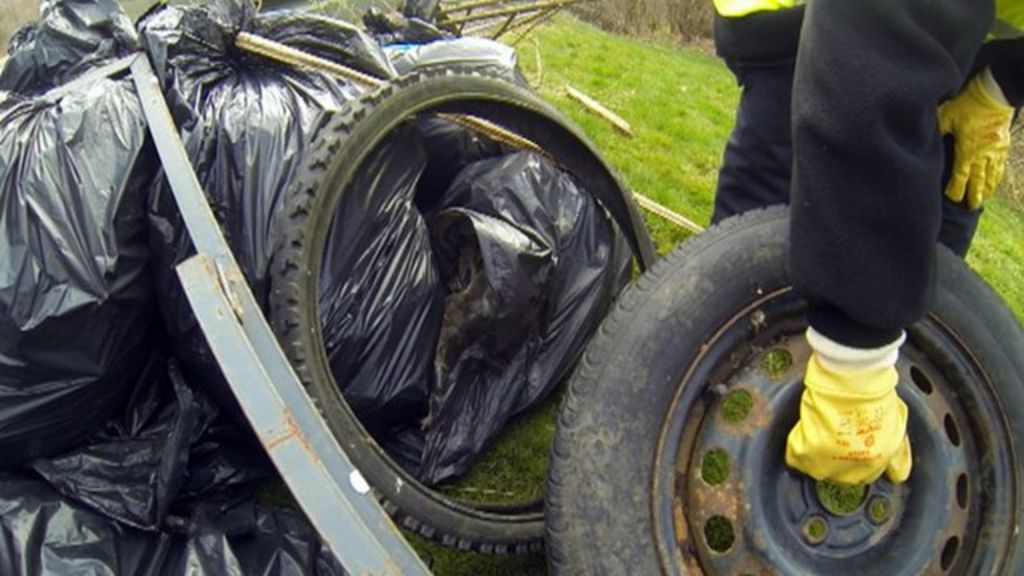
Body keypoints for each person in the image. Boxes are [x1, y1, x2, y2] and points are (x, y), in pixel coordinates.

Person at [779, 0, 1023, 485]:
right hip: (842, 36)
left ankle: (879, 397)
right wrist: (855, 352)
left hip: (966, 41)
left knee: (938, 249)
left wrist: (1004, 82)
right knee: (758, 280)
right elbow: (871, 41)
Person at [710, 0, 1019, 257]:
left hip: (971, 51)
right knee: (752, 245)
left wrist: (1004, 83)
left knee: (927, 265)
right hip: (823, 21)